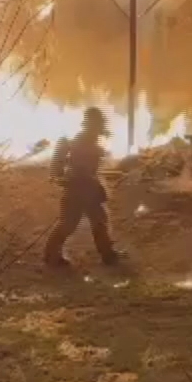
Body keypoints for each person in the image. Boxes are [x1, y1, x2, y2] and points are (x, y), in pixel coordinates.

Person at [43, 107, 123, 268]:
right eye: (98, 125)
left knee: (98, 221)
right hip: (79, 189)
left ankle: (107, 254)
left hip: (85, 188)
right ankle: (51, 255)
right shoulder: (83, 142)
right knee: (70, 223)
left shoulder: (89, 140)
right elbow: (80, 168)